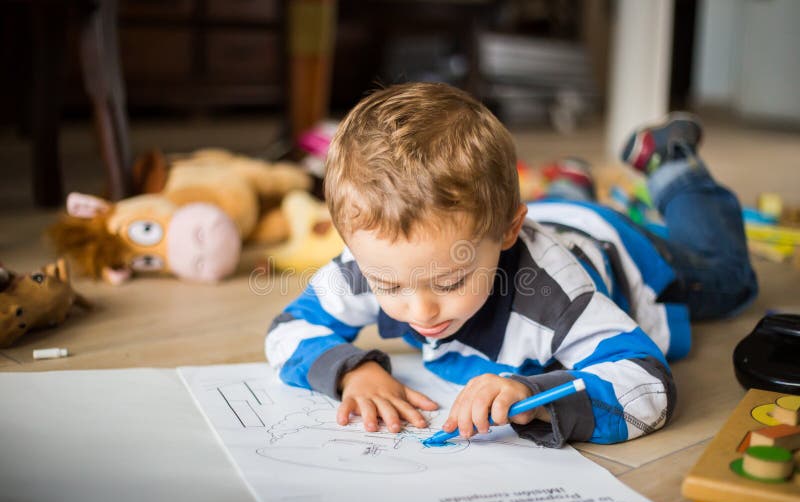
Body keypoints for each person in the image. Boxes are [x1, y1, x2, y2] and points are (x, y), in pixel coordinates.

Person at [265, 82, 757, 447]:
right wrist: (352, 372)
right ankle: (570, 182)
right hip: (539, 217)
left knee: (727, 279)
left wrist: (530, 392)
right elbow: (287, 329)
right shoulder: (377, 256)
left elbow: (647, 385)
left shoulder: (552, 298)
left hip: (618, 248)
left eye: (451, 280)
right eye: (387, 284)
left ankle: (674, 164)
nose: (420, 310)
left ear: (506, 231)